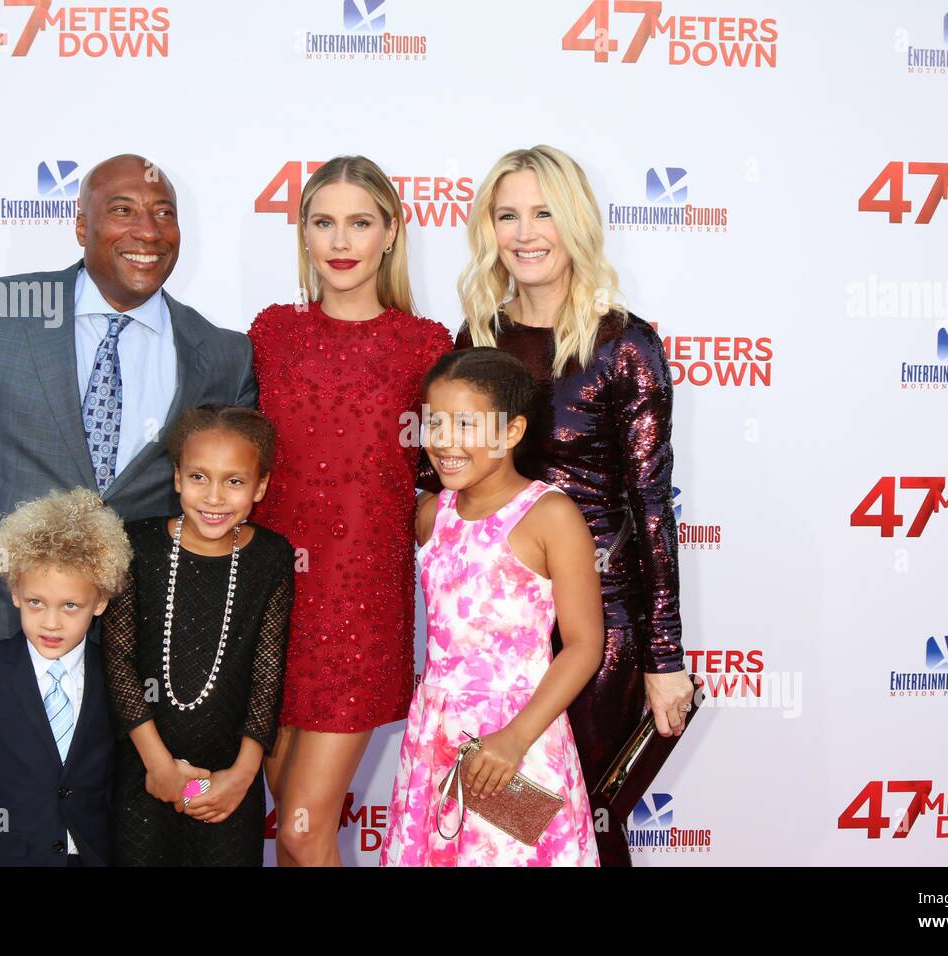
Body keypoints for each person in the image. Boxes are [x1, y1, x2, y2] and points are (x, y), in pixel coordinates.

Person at [0, 153, 259, 743]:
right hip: (1, 625)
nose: (146, 231)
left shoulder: (222, 354)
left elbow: (224, 509)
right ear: (81, 226)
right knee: (0, 814)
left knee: (124, 826)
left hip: (145, 648)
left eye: (163, 214)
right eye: (122, 210)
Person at [453, 145, 694, 866]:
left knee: (579, 825)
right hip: (496, 635)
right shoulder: (478, 339)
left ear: (578, 222)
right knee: (509, 827)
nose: (526, 233)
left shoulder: (625, 346)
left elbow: (652, 506)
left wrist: (664, 657)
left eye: (544, 212)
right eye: (508, 215)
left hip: (594, 628)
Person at [247, 155, 451, 866]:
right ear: (302, 232)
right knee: (293, 824)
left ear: (390, 232)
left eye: (359, 222)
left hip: (360, 615)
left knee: (302, 831)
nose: (340, 241)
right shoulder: (271, 334)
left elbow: (447, 482)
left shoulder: (426, 346)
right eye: (324, 222)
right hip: (271, 606)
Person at [381, 347, 603, 866]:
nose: (445, 441)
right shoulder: (432, 514)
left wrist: (514, 739)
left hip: (518, 739)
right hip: (436, 735)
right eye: (435, 423)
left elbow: (585, 645)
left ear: (509, 433)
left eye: (466, 425)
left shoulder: (550, 515)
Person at [102, 405, 295, 866]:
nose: (213, 497)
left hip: (229, 779)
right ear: (176, 478)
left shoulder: (271, 557)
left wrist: (242, 775)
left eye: (234, 481)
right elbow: (119, 661)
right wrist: (160, 767)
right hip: (146, 770)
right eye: (198, 477)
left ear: (260, 486)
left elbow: (267, 675)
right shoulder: (137, 545)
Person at [0, 487, 131, 866]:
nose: (51, 622)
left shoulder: (116, 678)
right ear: (15, 592)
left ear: (99, 602)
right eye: (36, 602)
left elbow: (122, 785)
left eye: (71, 606)